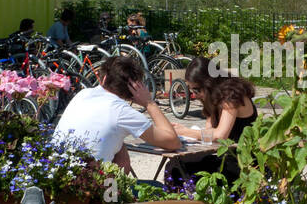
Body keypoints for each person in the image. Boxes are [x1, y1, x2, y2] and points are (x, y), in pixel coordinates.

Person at [51, 54, 180, 173]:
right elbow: (173, 142)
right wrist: (149, 103)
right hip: (95, 191)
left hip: (57, 179)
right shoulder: (123, 112)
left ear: (104, 78)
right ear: (135, 88)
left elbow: (123, 164)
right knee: (155, 187)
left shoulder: (82, 94)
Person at [168, 56, 256, 184]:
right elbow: (210, 131)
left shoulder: (231, 95)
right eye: (192, 90)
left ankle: (186, 202)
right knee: (176, 165)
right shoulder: (214, 96)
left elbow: (220, 135)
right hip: (228, 156)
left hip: (242, 162)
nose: (195, 95)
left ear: (209, 83)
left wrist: (184, 131)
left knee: (180, 169)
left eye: (197, 90)